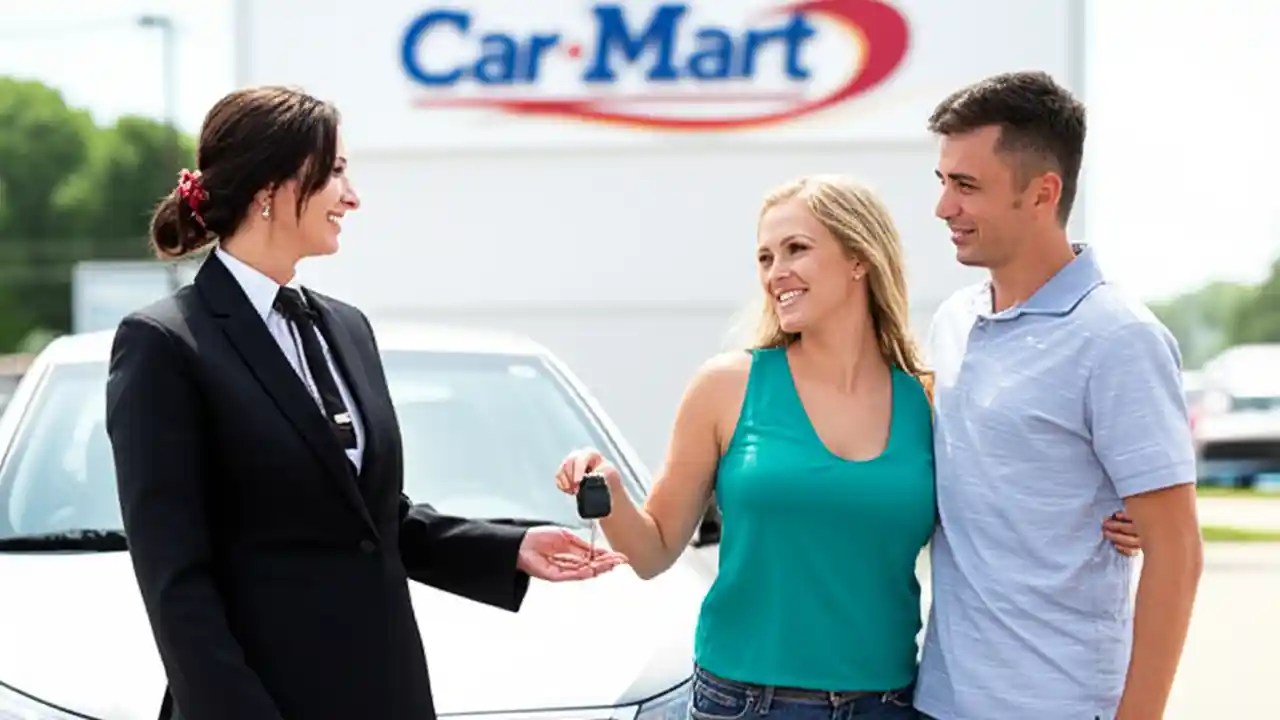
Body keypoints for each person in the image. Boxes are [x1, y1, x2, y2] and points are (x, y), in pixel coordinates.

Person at [105, 86, 626, 720]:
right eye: (337, 173)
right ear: (272, 185)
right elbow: (174, 582)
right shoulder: (164, 343)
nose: (353, 197)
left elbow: (370, 522)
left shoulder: (345, 328)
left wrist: (507, 546)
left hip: (386, 693)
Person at [553, 175, 1141, 720]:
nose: (775, 271)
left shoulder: (931, 402)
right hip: (742, 703)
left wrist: (1114, 517)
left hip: (886, 703)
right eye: (765, 256)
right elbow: (654, 551)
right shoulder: (727, 387)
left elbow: (1006, 508)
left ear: (860, 257)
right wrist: (606, 492)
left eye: (796, 249)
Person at [914, 70, 1203, 720]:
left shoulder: (1117, 337)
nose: (943, 208)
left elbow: (1177, 550)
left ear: (1042, 192)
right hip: (940, 703)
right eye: (942, 182)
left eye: (966, 186)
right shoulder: (953, 322)